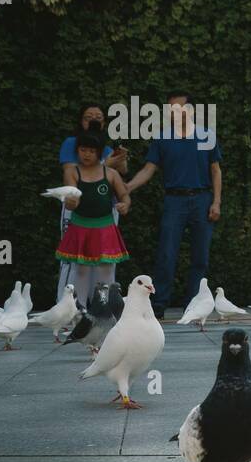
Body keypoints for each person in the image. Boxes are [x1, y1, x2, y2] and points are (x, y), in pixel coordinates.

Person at [126, 92, 222, 319]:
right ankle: (159, 303)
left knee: (201, 256)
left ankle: (193, 305)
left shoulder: (206, 136)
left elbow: (215, 170)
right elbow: (149, 169)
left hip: (202, 199)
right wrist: (126, 187)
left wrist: (216, 201)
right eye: (170, 109)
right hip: (174, 200)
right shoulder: (162, 138)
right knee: (166, 253)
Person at [56, 103, 126, 302]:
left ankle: (101, 306)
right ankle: (68, 307)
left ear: (104, 123)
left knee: (106, 260)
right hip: (77, 209)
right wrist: (106, 164)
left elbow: (120, 175)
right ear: (81, 121)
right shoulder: (71, 143)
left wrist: (121, 160)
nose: (94, 120)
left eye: (98, 117)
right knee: (73, 260)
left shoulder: (106, 148)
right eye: (89, 117)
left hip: (106, 211)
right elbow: (70, 172)